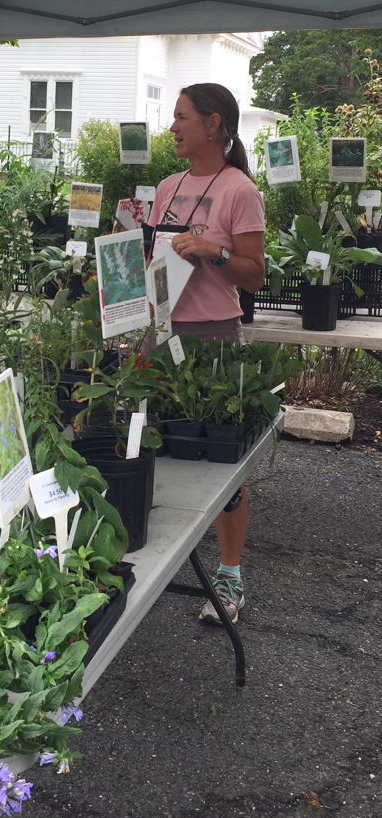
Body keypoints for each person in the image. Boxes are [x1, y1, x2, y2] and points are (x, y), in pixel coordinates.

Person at [147, 83, 265, 625]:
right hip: (159, 331)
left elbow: (255, 274)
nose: (172, 127)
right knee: (157, 444)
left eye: (181, 117)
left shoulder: (240, 189)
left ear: (213, 124)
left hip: (213, 334)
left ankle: (230, 574)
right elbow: (153, 261)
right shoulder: (167, 187)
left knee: (220, 461)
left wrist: (213, 252)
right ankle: (157, 557)